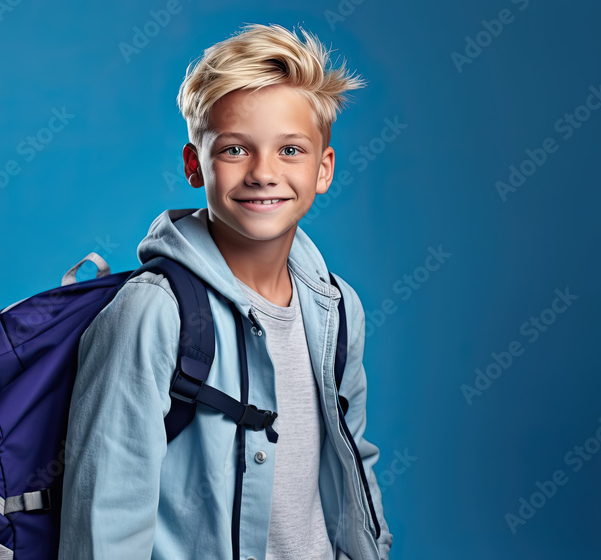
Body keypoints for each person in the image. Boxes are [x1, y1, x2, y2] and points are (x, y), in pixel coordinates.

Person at [58, 23, 393, 560]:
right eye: (235, 149)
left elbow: (352, 460)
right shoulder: (153, 312)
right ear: (195, 165)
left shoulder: (337, 307)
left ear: (323, 169)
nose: (263, 173)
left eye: (290, 149)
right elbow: (106, 519)